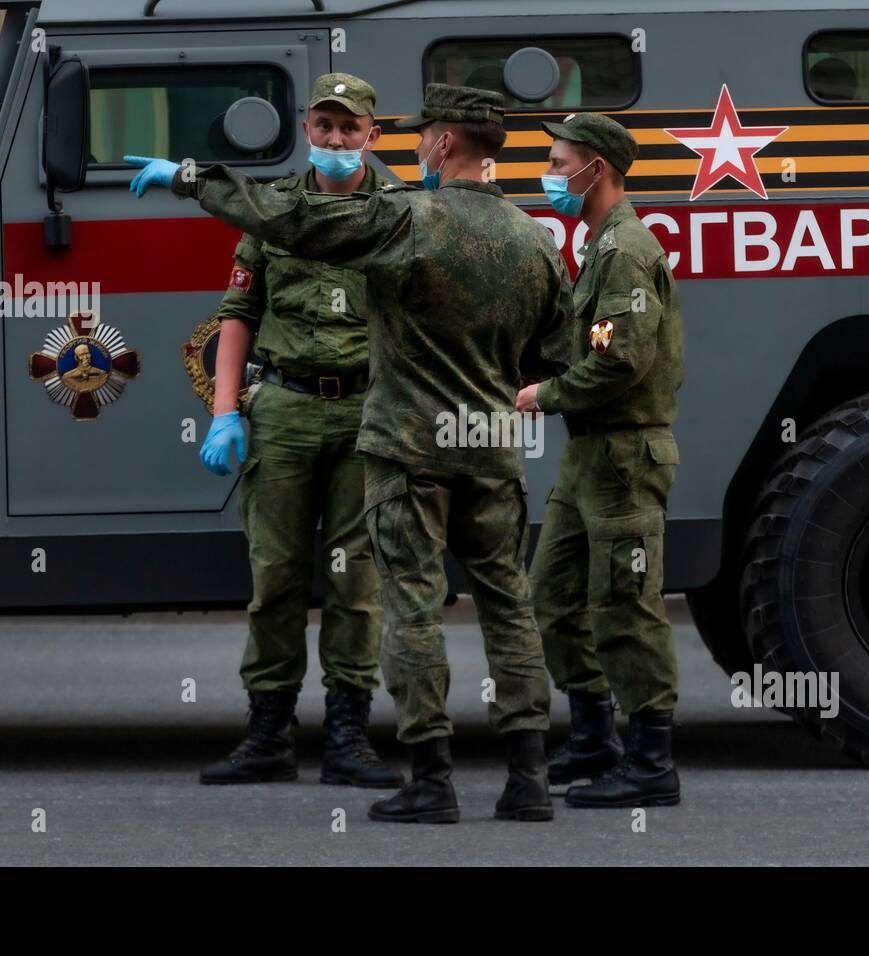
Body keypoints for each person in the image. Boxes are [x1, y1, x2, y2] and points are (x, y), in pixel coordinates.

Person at [128, 84, 572, 823]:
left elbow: (293, 218)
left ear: (446, 144)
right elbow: (552, 358)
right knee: (509, 606)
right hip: (491, 448)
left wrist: (188, 179)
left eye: (427, 133)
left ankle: (431, 778)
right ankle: (528, 779)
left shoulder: (405, 217)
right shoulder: (535, 240)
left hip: (408, 447)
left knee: (411, 607)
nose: (420, 142)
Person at [140, 73, 403, 790]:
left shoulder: (403, 215)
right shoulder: (272, 209)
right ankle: (268, 734)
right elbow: (238, 316)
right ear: (306, 129)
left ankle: (349, 735)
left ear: (373, 136)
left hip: (365, 416)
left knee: (356, 583)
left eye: (351, 129)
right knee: (277, 578)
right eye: (325, 126)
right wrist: (226, 411)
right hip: (284, 411)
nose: (338, 140)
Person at [515, 112, 686, 808]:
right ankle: (594, 735)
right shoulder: (599, 244)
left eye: (560, 163)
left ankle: (652, 763)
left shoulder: (624, 248)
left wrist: (544, 394)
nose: (551, 175)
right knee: (552, 598)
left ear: (599, 169)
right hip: (588, 458)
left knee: (625, 604)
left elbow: (621, 361)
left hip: (622, 456)